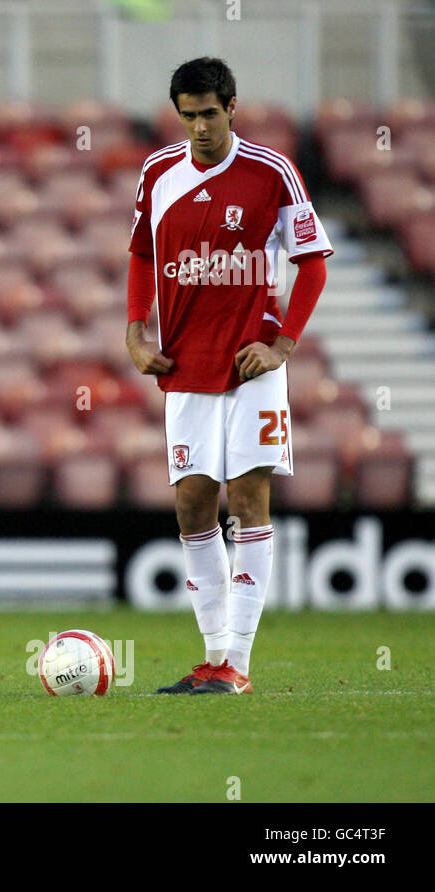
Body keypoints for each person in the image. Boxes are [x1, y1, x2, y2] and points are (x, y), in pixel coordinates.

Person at [126, 58, 331, 694]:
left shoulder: (273, 172)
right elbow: (141, 253)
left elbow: (313, 264)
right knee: (191, 504)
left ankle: (237, 664)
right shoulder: (159, 171)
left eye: (209, 114)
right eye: (187, 116)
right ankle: (211, 658)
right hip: (185, 365)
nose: (199, 128)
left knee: (247, 502)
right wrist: (137, 329)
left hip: (251, 367)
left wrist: (284, 346)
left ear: (232, 107)